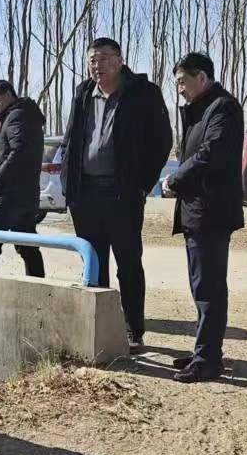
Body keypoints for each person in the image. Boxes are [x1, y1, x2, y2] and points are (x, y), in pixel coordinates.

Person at [60, 37, 173, 350]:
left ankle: (134, 329)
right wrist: (69, 186)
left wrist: (142, 184)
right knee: (94, 263)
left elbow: (162, 141)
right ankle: (100, 328)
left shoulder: (143, 93)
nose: (97, 65)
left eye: (104, 58)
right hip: (85, 194)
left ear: (120, 60)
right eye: (92, 60)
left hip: (123, 194)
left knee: (128, 262)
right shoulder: (84, 93)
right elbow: (71, 139)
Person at [161, 51, 245, 381]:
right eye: (177, 83)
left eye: (183, 81)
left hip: (211, 211)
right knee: (201, 286)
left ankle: (208, 360)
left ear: (202, 77)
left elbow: (209, 155)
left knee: (208, 288)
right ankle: (204, 350)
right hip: (197, 211)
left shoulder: (223, 108)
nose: (179, 88)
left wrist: (174, 179)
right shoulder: (202, 109)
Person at [0, 80, 46, 278]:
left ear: (8, 95)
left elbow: (19, 151)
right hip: (26, 193)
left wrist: (0, 176)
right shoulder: (23, 114)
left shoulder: (17, 116)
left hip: (9, 194)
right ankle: (39, 285)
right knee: (27, 244)